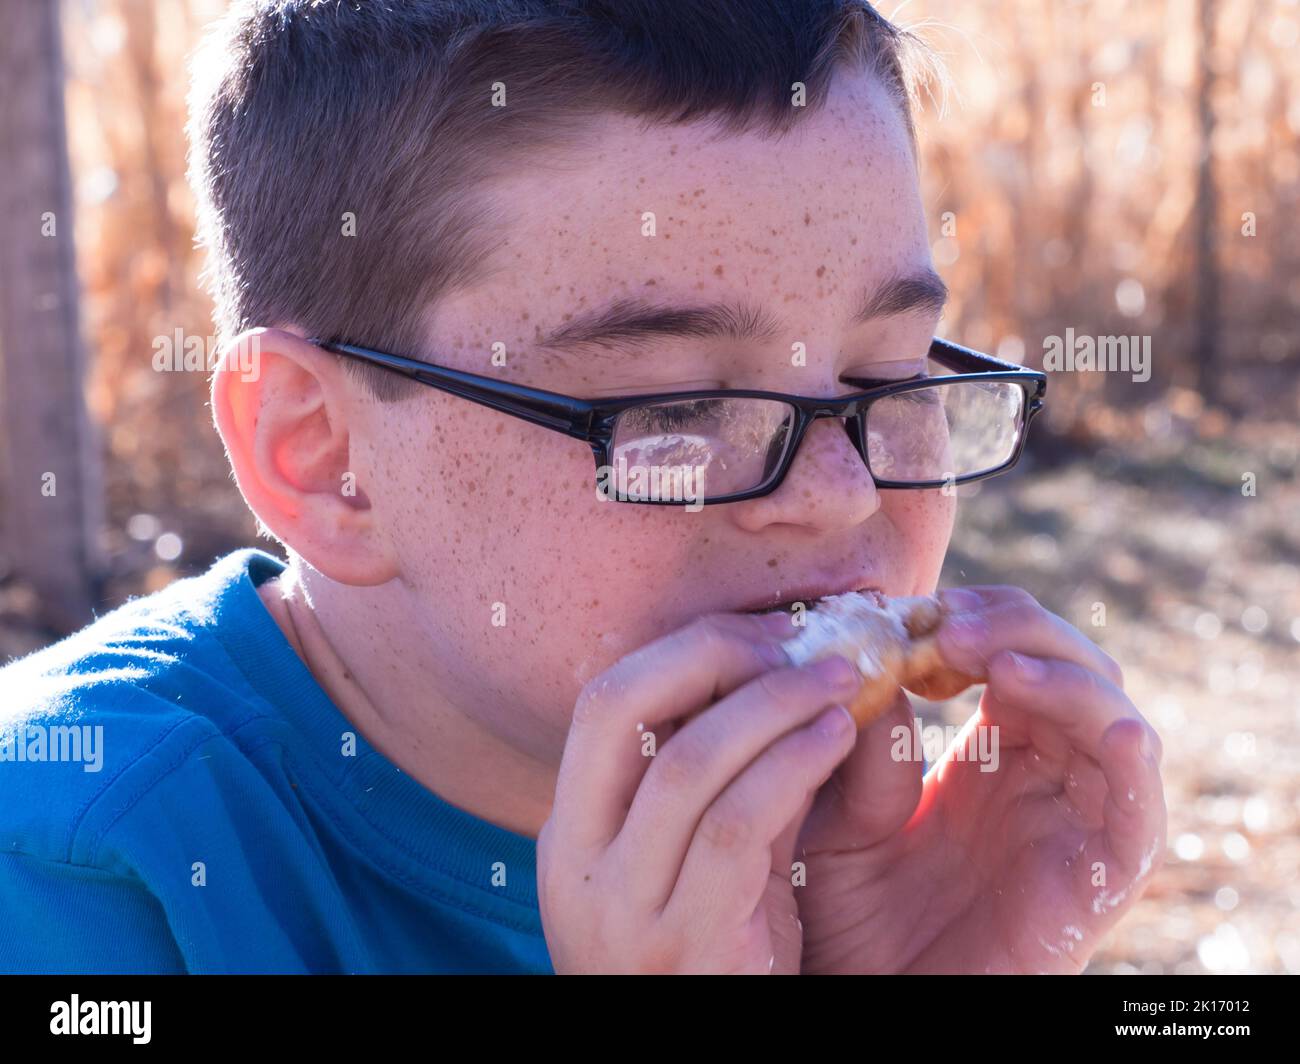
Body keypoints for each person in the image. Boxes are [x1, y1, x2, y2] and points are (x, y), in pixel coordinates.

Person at [0, 0, 1165, 974]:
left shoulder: (865, 838)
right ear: (325, 457)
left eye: (887, 374)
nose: (837, 494)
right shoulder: (70, 868)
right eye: (678, 409)